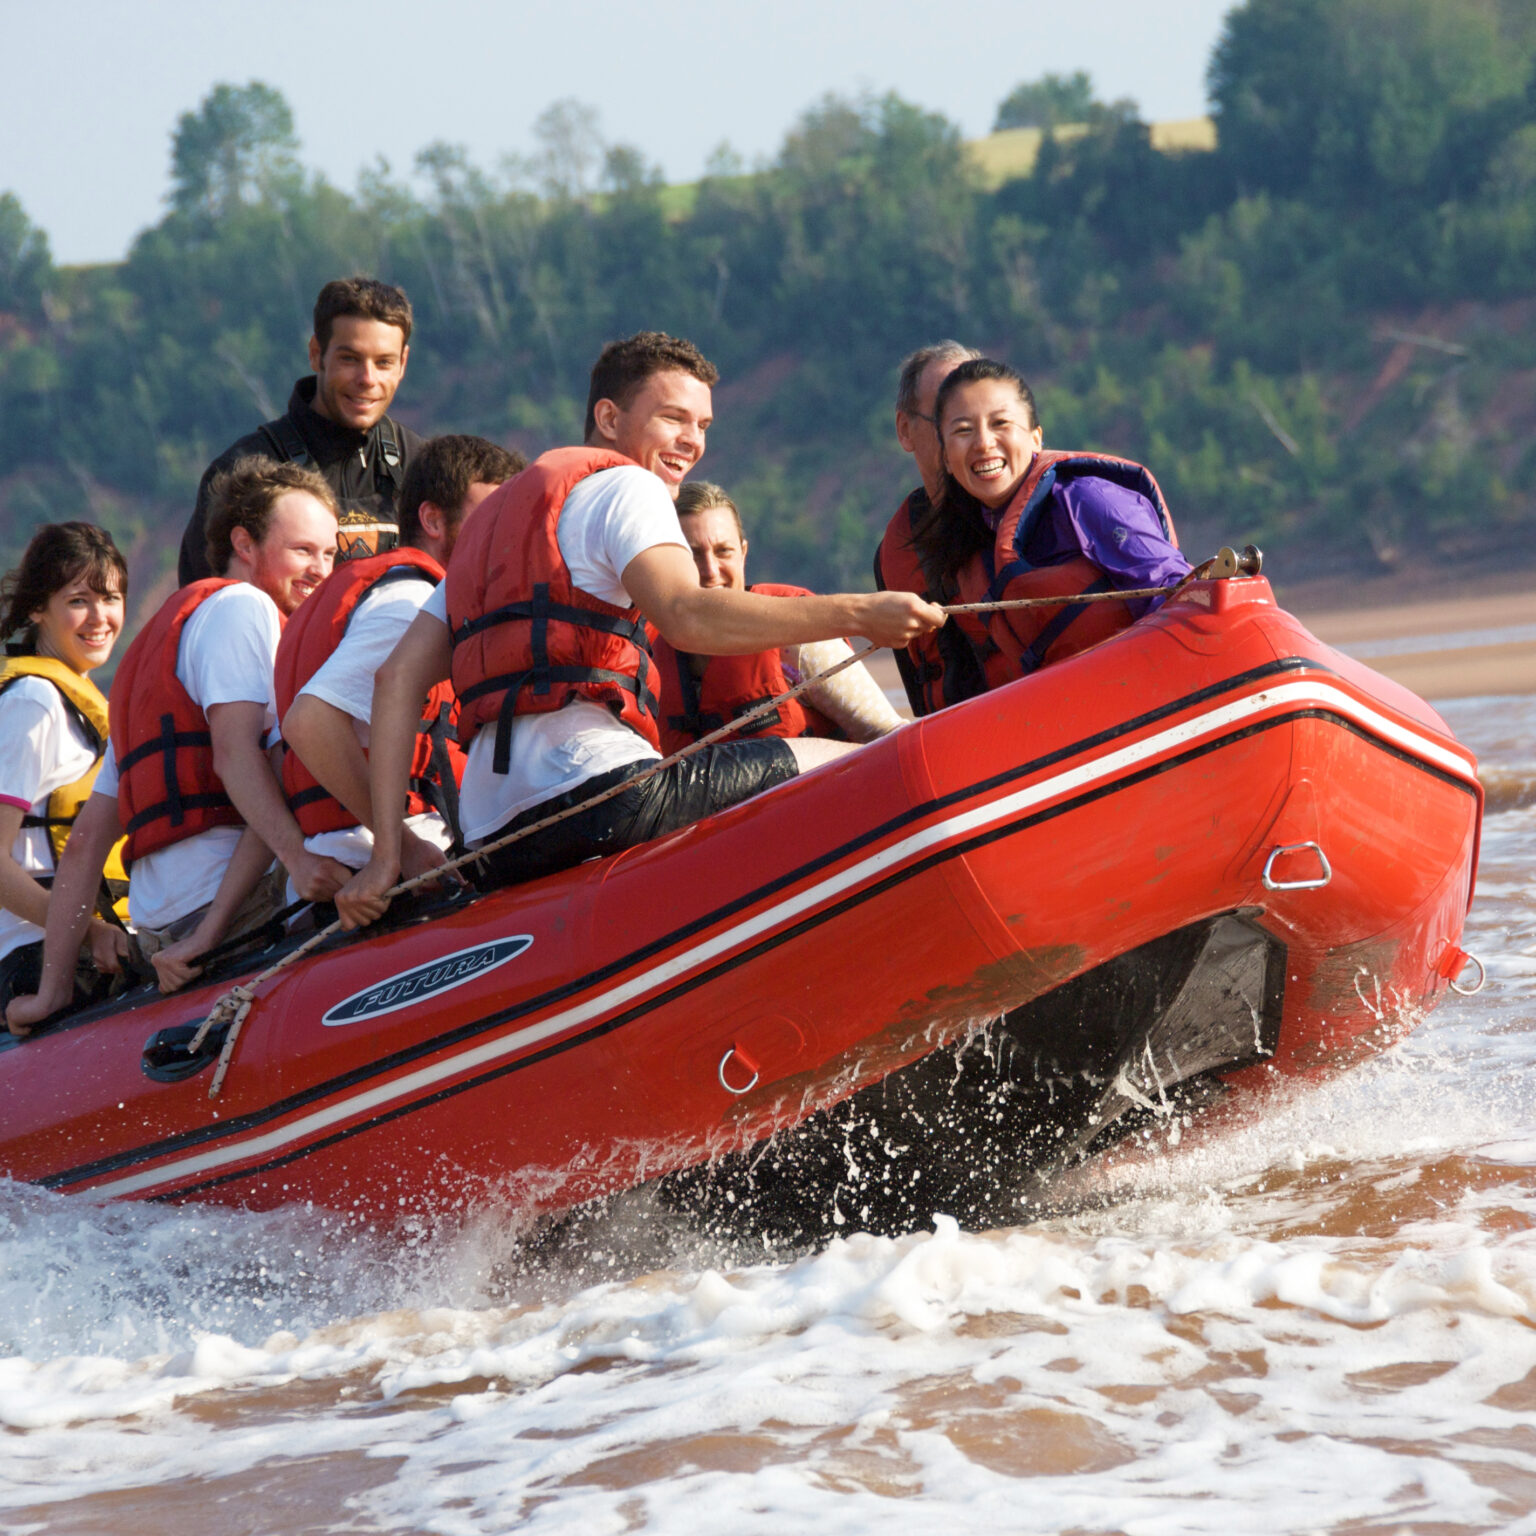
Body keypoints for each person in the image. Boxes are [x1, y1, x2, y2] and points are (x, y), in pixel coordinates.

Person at [333, 330, 944, 926]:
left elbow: (395, 680)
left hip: (494, 837)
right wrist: (861, 613)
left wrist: (390, 853)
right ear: (608, 416)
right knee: (862, 759)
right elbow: (686, 614)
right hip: (601, 794)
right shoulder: (628, 485)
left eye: (703, 426)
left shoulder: (487, 534)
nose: (692, 441)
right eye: (674, 419)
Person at [7, 459, 350, 1020]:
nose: (320, 569)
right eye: (303, 551)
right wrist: (292, 860)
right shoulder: (246, 608)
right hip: (239, 913)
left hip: (163, 930)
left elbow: (90, 841)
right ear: (244, 543)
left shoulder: (151, 655)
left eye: (330, 554)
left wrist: (54, 990)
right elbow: (242, 760)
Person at [276, 434, 524, 885]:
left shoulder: (375, 593)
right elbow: (308, 721)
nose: (500, 536)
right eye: (488, 517)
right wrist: (402, 849)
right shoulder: (410, 603)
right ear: (432, 518)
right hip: (395, 870)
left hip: (342, 865)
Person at [916, 357, 1189, 687]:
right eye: (963, 431)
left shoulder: (1090, 501)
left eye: (1000, 423)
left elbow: (1180, 595)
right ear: (946, 458)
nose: (983, 443)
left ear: (1035, 438)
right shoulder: (971, 552)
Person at [177, 277, 422, 584]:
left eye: (383, 362)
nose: (367, 378)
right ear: (316, 353)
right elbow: (204, 605)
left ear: (403, 363)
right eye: (350, 359)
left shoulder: (422, 467)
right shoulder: (241, 475)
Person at [651, 481, 901, 753]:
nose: (710, 570)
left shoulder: (798, 641)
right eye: (692, 554)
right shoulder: (643, 661)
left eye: (723, 551)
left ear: (743, 554)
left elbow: (891, 736)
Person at [0, 524, 131, 1031]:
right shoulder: (33, 703)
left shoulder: (74, 703)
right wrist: (86, 931)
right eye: (79, 600)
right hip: (36, 959)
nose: (100, 618)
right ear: (38, 608)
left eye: (111, 598)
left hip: (77, 947)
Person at [874, 341, 990, 716]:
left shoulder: (1048, 513)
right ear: (905, 430)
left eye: (979, 415)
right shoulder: (895, 553)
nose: (969, 434)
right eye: (946, 416)